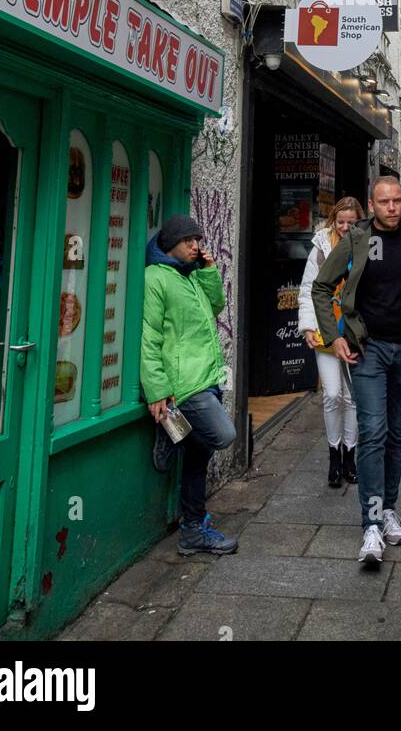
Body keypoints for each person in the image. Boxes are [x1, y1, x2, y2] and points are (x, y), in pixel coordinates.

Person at [312, 176, 401, 568]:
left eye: (398, 201)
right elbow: (322, 288)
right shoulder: (357, 239)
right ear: (372, 204)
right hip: (367, 350)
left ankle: (388, 509)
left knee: (398, 433)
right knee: (373, 432)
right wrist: (334, 337)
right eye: (384, 202)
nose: (392, 207)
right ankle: (370, 522)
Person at [141, 214, 239, 555]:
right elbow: (148, 337)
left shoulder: (191, 275)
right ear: (171, 244)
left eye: (198, 240)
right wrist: (156, 389)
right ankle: (172, 431)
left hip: (205, 376)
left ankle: (193, 530)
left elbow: (216, 306)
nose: (196, 246)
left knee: (200, 455)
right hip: (183, 384)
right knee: (223, 435)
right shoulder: (156, 277)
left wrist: (209, 270)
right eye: (189, 241)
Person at [297, 196, 364, 488]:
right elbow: (308, 289)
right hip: (326, 331)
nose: (346, 227)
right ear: (333, 221)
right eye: (341, 222)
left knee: (352, 398)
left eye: (351, 222)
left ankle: (350, 455)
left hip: (355, 333)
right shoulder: (321, 250)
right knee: (333, 394)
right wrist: (308, 326)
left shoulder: (367, 247)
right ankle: (333, 454)